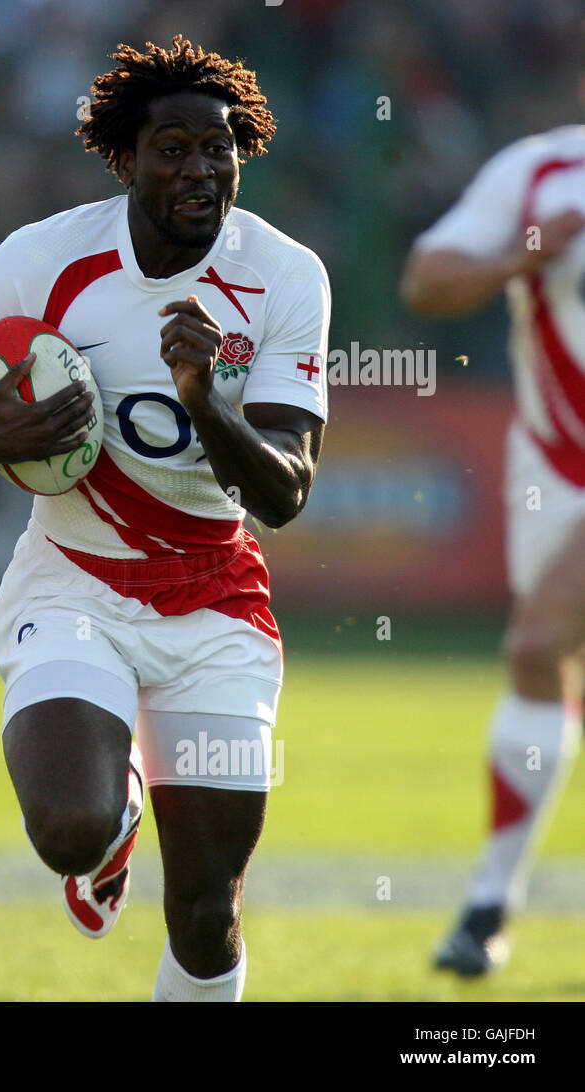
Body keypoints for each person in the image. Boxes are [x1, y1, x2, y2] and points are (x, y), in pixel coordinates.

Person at [0, 37, 329, 1002]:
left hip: (217, 601)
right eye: (172, 148)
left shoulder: (285, 276)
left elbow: (284, 493)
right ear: (124, 159)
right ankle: (112, 821)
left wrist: (208, 399)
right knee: (67, 826)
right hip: (73, 579)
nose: (200, 170)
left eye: (218, 150)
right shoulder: (41, 257)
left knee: (207, 913)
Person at [400, 116, 585, 976]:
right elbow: (427, 282)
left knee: (536, 643)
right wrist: (528, 255)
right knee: (544, 665)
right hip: (554, 461)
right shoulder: (545, 171)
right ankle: (493, 903)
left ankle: (484, 906)